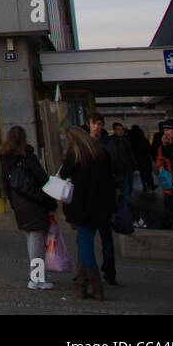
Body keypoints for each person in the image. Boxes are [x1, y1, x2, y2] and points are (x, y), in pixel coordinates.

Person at [58, 125, 116, 300]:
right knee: (86, 241)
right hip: (102, 204)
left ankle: (96, 285)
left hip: (83, 205)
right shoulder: (100, 151)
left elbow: (64, 173)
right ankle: (81, 284)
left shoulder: (76, 153)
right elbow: (110, 178)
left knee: (85, 244)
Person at [0, 126, 56, 290]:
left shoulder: (5, 159)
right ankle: (37, 277)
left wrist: (12, 202)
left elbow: (5, 184)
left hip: (19, 201)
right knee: (36, 238)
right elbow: (42, 178)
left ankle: (38, 273)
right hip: (33, 201)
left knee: (32, 237)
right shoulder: (27, 156)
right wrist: (50, 200)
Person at [87, 114, 127, 285]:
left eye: (99, 124)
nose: (97, 127)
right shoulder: (84, 144)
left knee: (106, 237)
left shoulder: (110, 144)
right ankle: (88, 272)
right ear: (89, 125)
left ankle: (109, 272)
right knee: (86, 237)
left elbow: (118, 167)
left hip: (104, 196)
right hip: (89, 196)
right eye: (94, 124)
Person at [128, 124, 154, 191]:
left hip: (136, 157)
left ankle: (144, 185)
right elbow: (149, 148)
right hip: (144, 157)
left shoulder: (131, 138)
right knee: (147, 172)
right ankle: (150, 184)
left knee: (142, 172)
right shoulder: (143, 139)